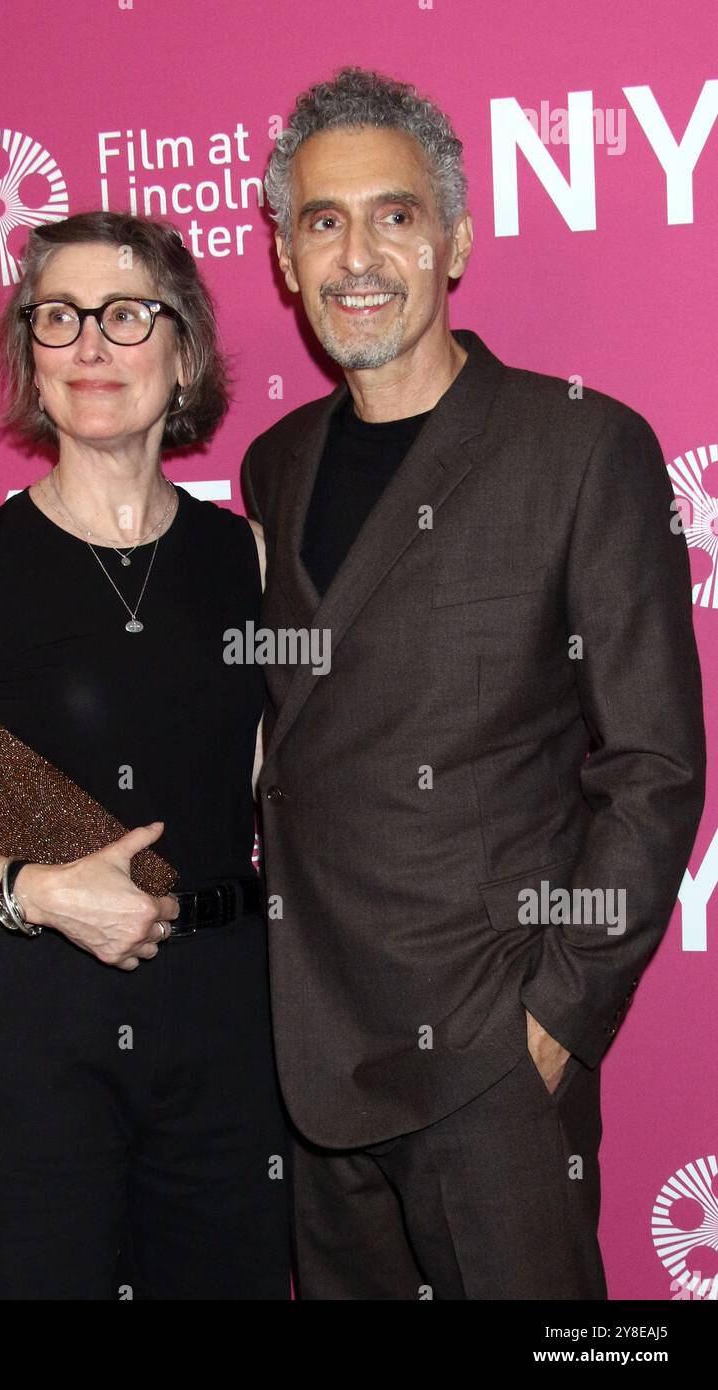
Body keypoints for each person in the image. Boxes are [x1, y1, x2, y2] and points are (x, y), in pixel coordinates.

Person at [240, 66, 706, 1299]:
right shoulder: (273, 465)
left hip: (490, 1055)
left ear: (452, 239)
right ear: (284, 259)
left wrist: (556, 1020)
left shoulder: (578, 445)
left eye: (393, 215)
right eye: (320, 221)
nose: (355, 256)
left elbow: (652, 769)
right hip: (311, 1049)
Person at [0, 210, 291, 1300]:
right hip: (26, 1028)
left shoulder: (248, 557)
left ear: (183, 349)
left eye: (125, 315)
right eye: (57, 318)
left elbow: (280, 786)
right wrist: (35, 890)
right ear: (30, 357)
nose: (91, 345)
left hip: (224, 1023)